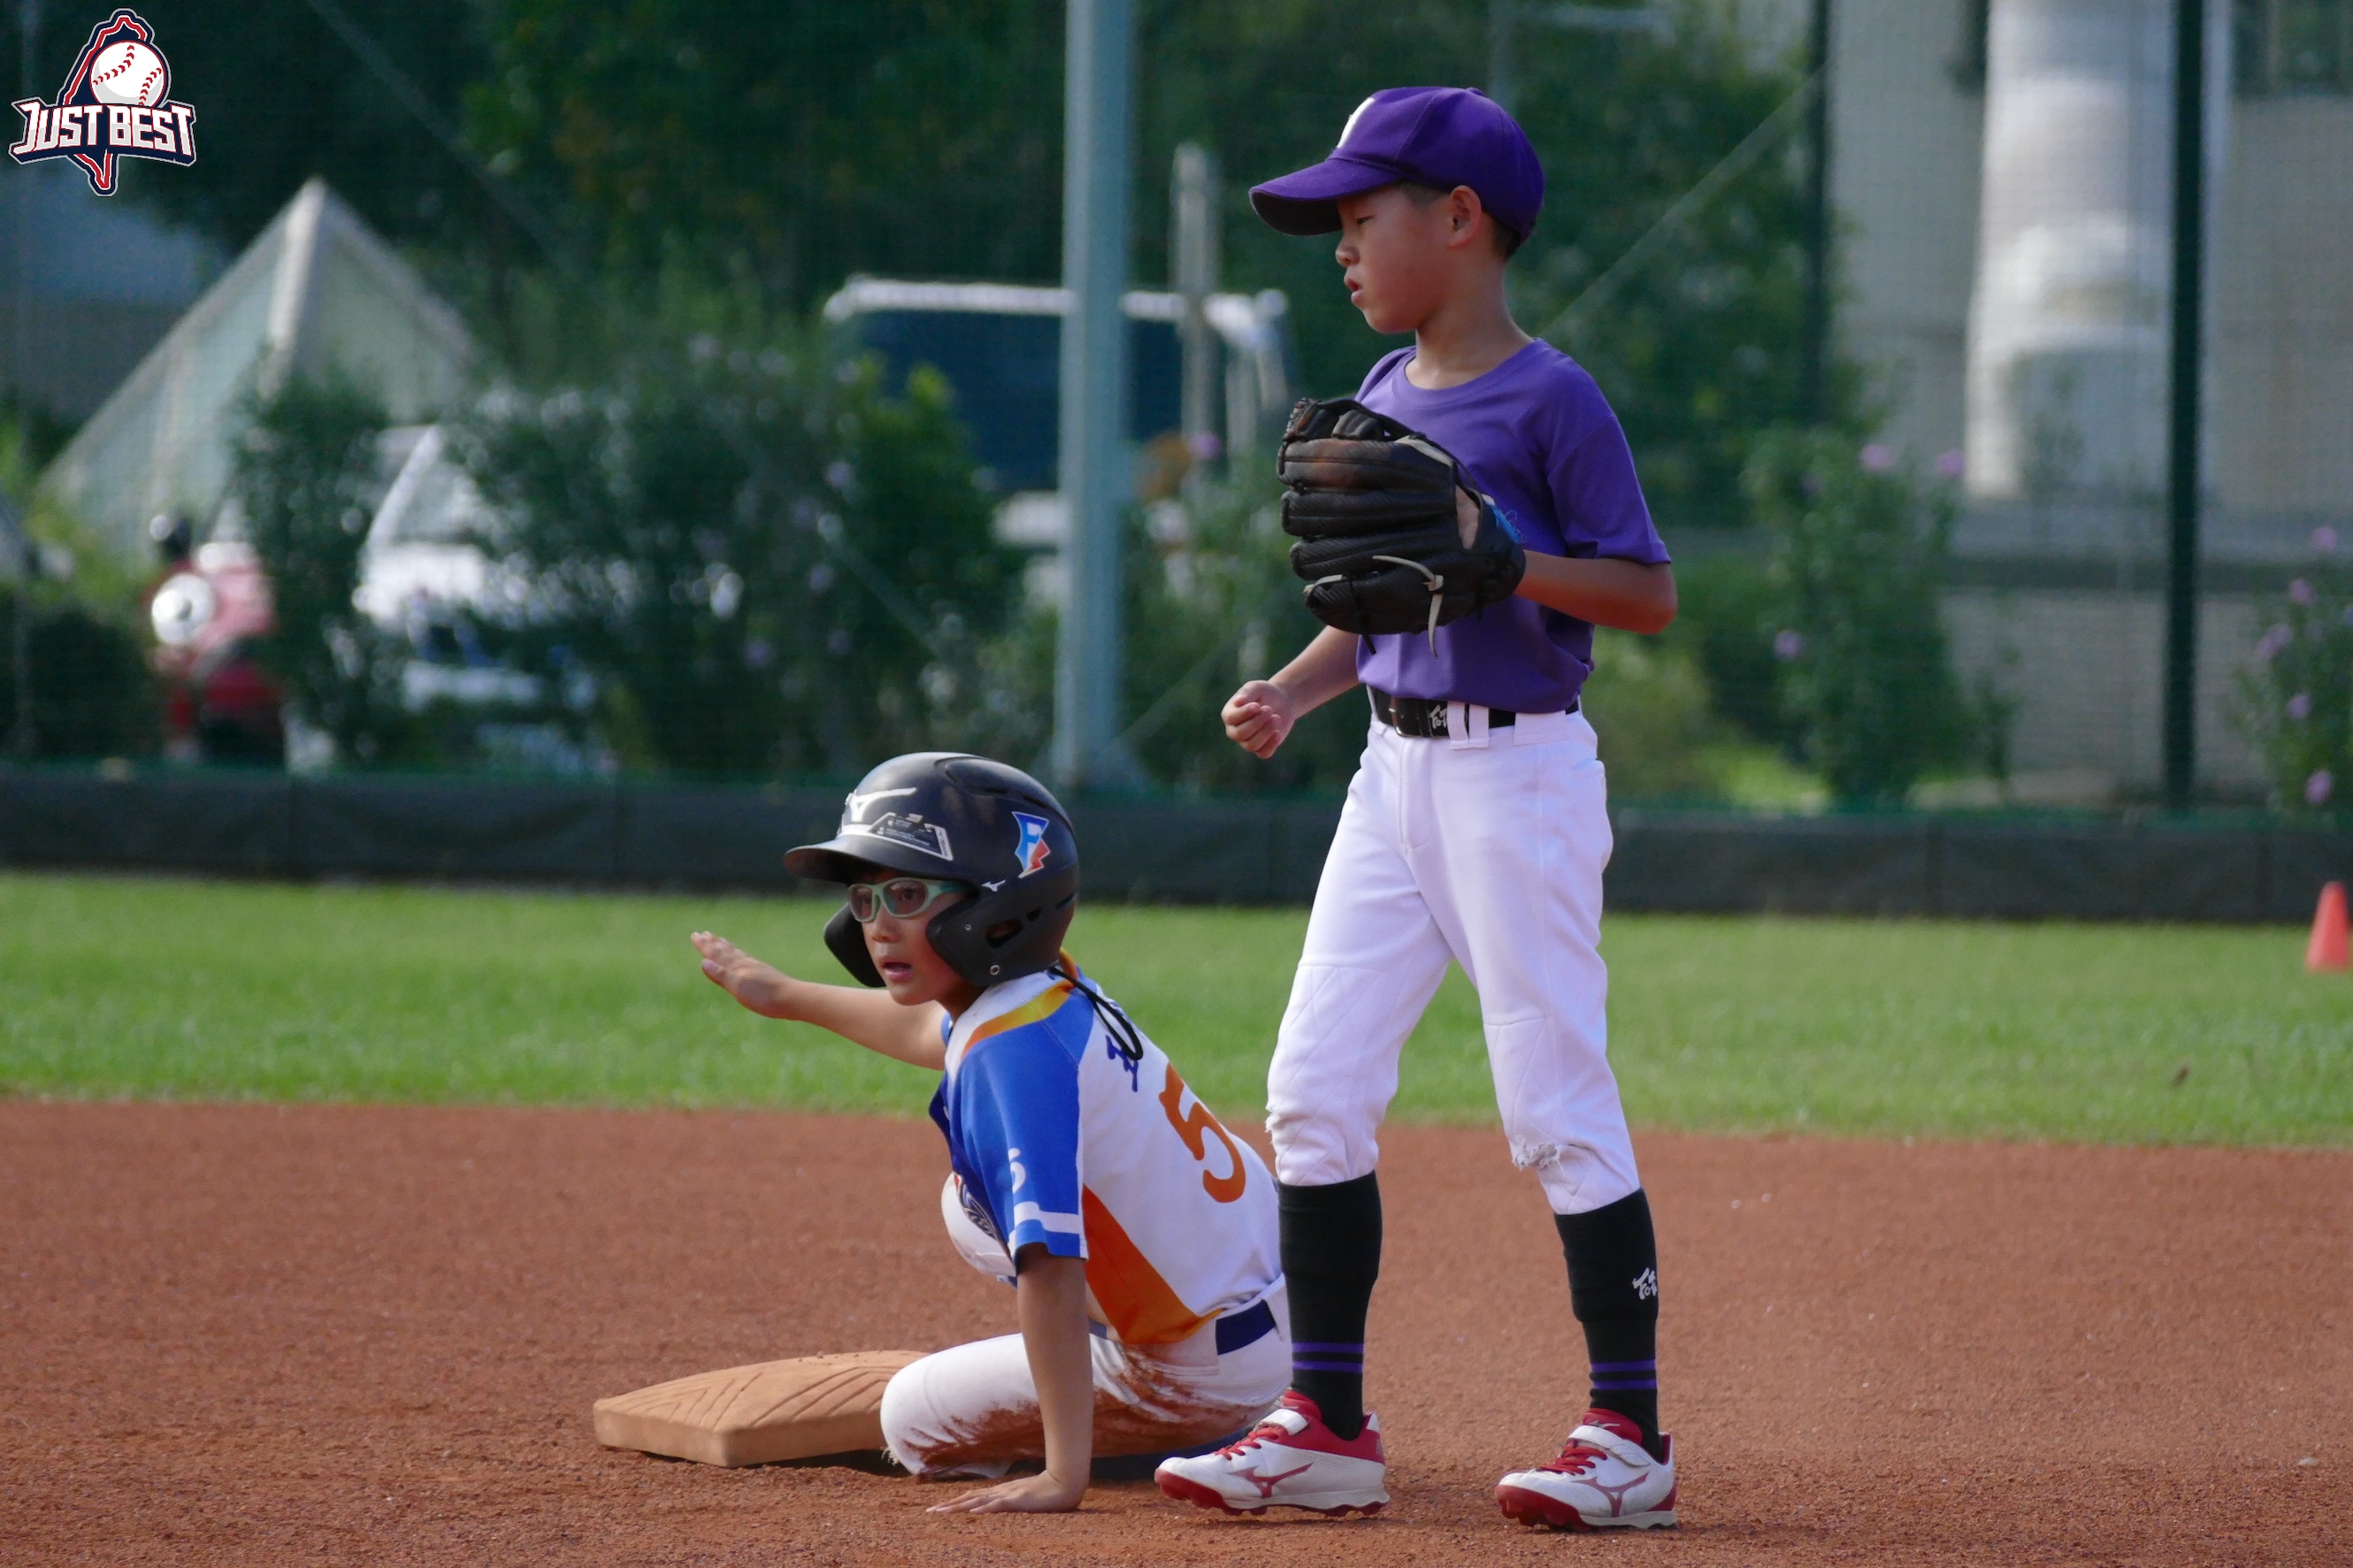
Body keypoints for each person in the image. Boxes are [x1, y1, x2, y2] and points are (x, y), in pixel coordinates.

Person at [1154, 88, 1682, 1532]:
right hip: (1391, 774)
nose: (1340, 242)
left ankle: (1629, 1432)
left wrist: (1515, 563)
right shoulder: (1381, 400)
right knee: (1314, 1089)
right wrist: (1298, 687)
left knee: (1554, 1104)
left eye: (1362, 212)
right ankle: (1326, 1420)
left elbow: (1643, 591)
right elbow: (1385, 609)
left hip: (1519, 774)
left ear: (1460, 220)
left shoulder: (1554, 399)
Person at [693, 752, 1288, 1515]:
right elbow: (936, 1030)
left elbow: (1050, 1266)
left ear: (997, 905)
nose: (878, 927)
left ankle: (1183, 1425)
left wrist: (1059, 1476)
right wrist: (783, 995)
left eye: (906, 894)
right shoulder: (1046, 990)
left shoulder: (1007, 1053)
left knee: (911, 1414)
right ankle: (1206, 1394)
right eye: (865, 898)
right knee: (969, 1206)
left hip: (1204, 1374)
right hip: (1275, 1303)